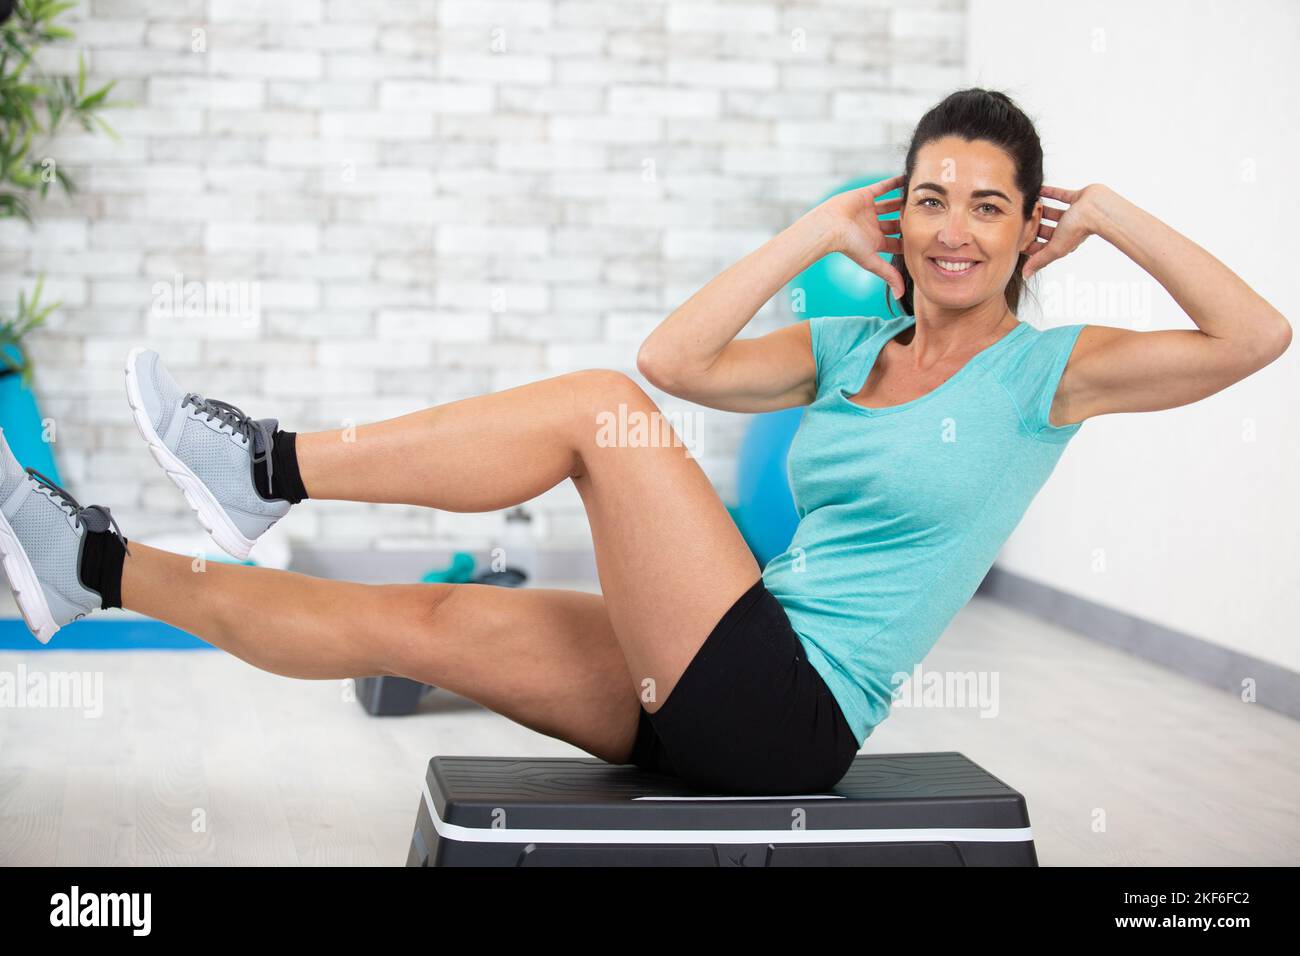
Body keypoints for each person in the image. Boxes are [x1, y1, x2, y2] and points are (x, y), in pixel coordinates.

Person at [0, 88, 1289, 795]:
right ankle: (98, 573)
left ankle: (265, 468)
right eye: (930, 199)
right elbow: (680, 364)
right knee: (413, 624)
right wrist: (808, 234)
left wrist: (1114, 214)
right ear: (896, 213)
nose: (954, 229)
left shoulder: (1049, 376)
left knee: (585, 411)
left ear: (1026, 231)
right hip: (717, 668)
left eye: (989, 206)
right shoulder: (846, 351)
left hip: (794, 710)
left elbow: (1255, 336)